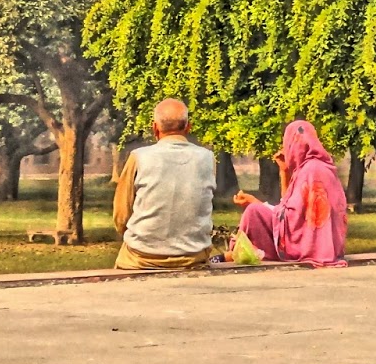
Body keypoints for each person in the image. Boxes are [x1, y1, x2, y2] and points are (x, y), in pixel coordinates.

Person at [111, 97, 215, 270]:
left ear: (155, 128)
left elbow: (121, 216)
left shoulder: (139, 157)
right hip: (192, 258)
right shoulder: (207, 158)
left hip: (141, 258)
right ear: (188, 127)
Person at [232, 120, 347, 266]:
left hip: (307, 247)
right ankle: (238, 251)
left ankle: (234, 252)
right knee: (256, 210)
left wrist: (255, 203)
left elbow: (289, 220)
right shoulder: (321, 166)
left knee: (253, 212)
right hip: (322, 246)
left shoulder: (310, 171)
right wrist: (284, 171)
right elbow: (289, 210)